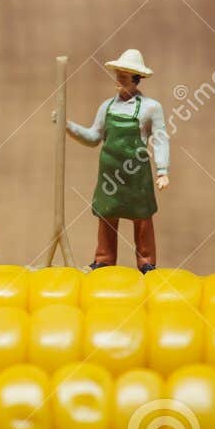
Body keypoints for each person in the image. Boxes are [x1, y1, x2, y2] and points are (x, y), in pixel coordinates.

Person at [66, 48, 170, 273]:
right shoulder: (107, 106)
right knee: (106, 214)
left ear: (136, 79)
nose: (119, 80)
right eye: (118, 75)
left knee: (142, 218)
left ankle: (147, 263)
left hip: (136, 173)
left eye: (124, 76)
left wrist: (162, 170)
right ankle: (103, 259)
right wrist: (69, 127)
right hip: (110, 173)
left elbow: (160, 139)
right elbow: (94, 137)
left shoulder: (151, 108)